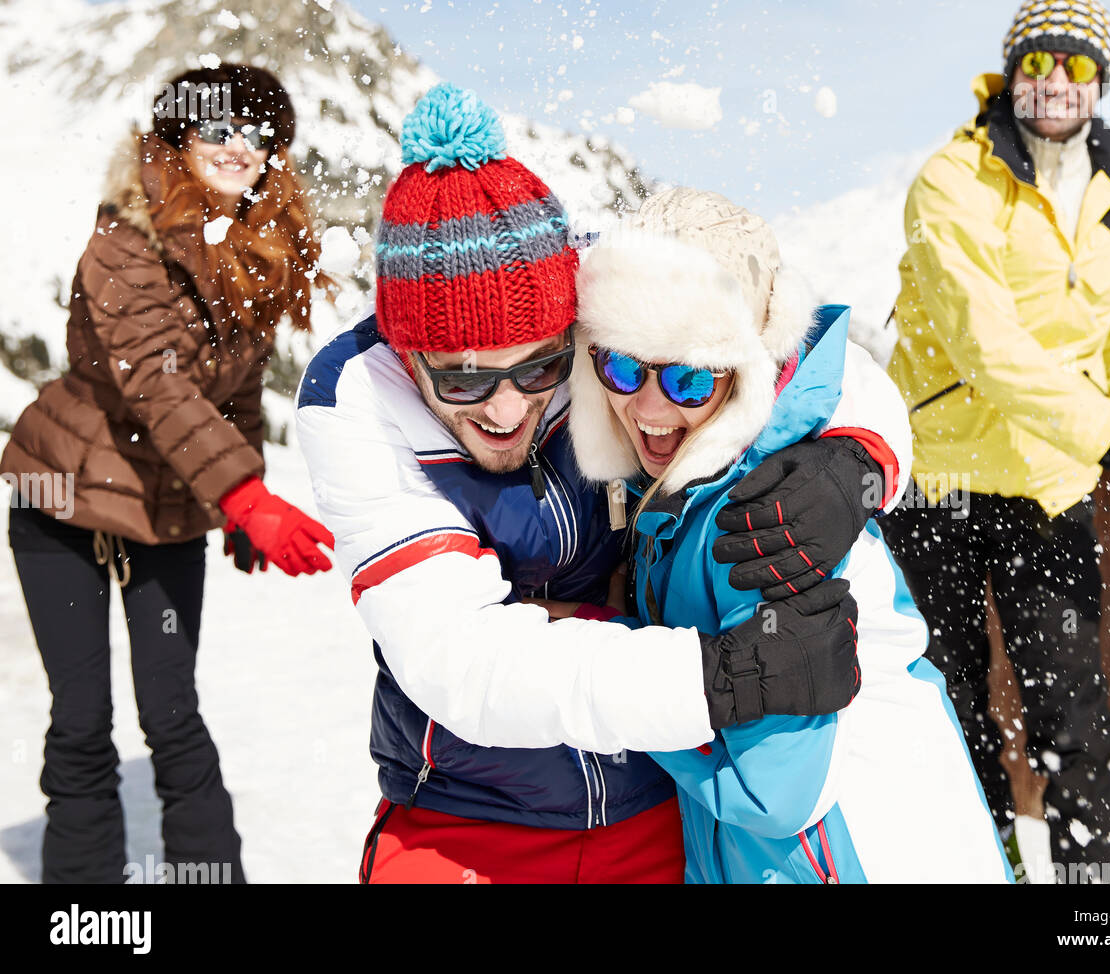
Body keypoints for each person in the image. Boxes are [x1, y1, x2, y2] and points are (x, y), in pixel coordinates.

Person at [295, 83, 909, 885]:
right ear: (408, 357)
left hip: (651, 800)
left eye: (543, 366)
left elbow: (785, 338)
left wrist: (861, 458)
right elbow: (463, 660)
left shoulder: (587, 282)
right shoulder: (358, 398)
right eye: (463, 382)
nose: (509, 408)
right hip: (470, 809)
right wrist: (717, 676)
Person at [880, 0, 1110, 884]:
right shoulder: (951, 181)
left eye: (1075, 63)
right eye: (1037, 60)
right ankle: (979, 867)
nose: (1055, 79)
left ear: (1101, 80)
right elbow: (986, 343)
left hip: (1047, 484)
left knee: (1074, 723)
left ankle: (1096, 908)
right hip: (939, 482)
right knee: (947, 710)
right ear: (1009, 74)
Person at [561, 185, 1010, 884]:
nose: (645, 407)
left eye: (687, 379)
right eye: (620, 365)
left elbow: (771, 796)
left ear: (746, 374)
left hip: (862, 857)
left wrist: (606, 660)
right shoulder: (683, 485)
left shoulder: (768, 524)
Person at [4, 65, 336, 885]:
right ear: (177, 138)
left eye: (258, 134)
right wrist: (244, 495)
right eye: (217, 129)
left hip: (170, 509)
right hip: (60, 494)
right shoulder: (125, 239)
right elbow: (155, 379)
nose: (237, 147)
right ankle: (84, 915)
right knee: (82, 719)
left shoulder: (255, 251)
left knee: (172, 713)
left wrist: (237, 497)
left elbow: (239, 396)